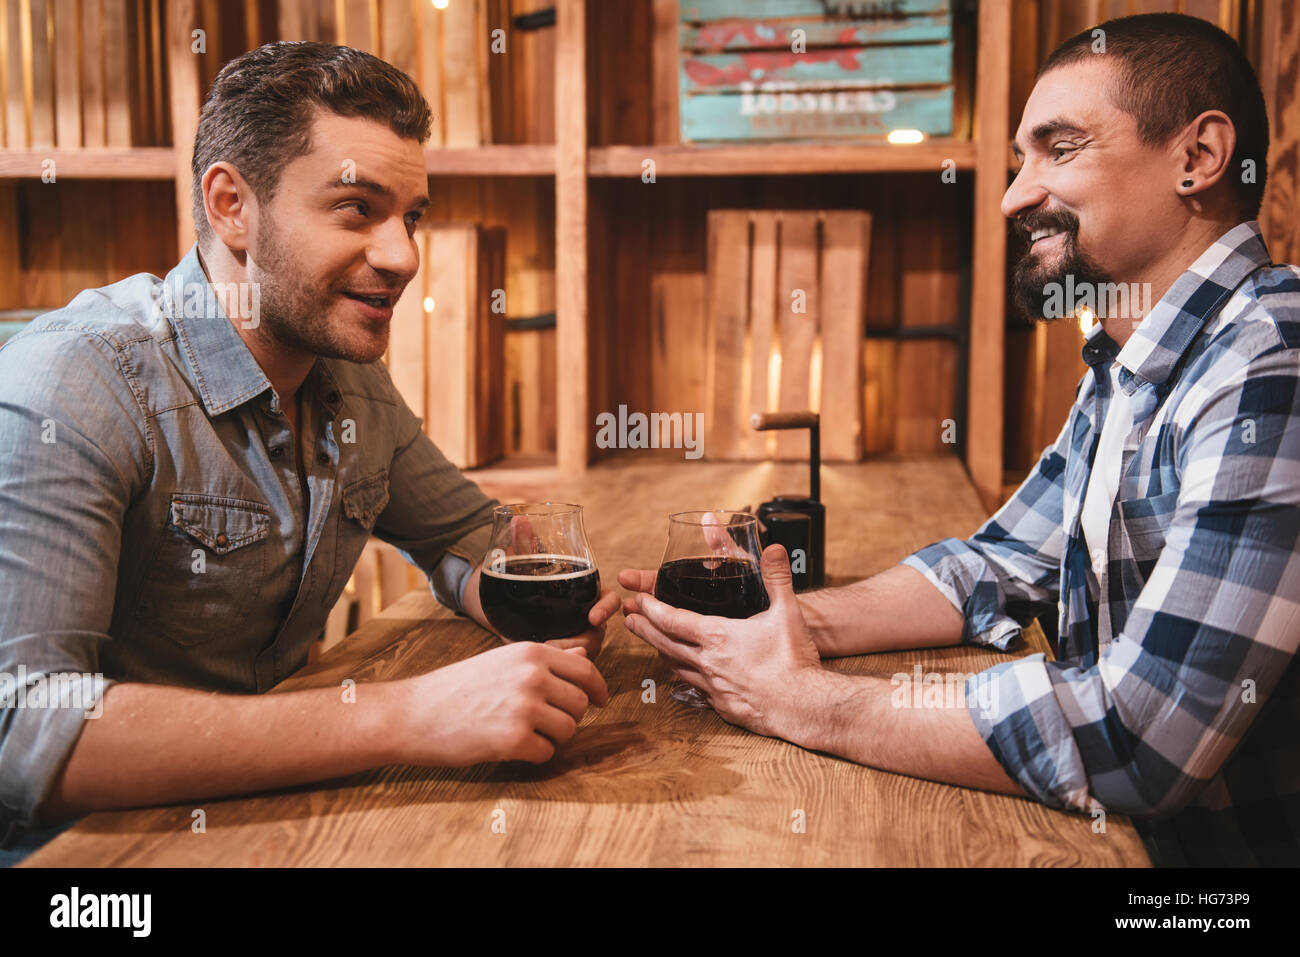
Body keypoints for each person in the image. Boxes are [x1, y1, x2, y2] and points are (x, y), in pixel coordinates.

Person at [621, 13, 1299, 866]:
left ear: (1198, 158)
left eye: (1060, 148)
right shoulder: (1137, 356)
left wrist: (802, 699)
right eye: (1021, 158)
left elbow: (1142, 736)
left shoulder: (1271, 359)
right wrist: (784, 618)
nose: (1016, 193)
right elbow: (996, 563)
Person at [0, 41, 617, 861]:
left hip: (275, 824)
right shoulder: (76, 382)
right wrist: (407, 714)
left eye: (412, 216)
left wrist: (576, 604)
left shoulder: (349, 381)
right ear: (232, 206)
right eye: (358, 208)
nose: (404, 256)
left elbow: (471, 540)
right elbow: (22, 727)